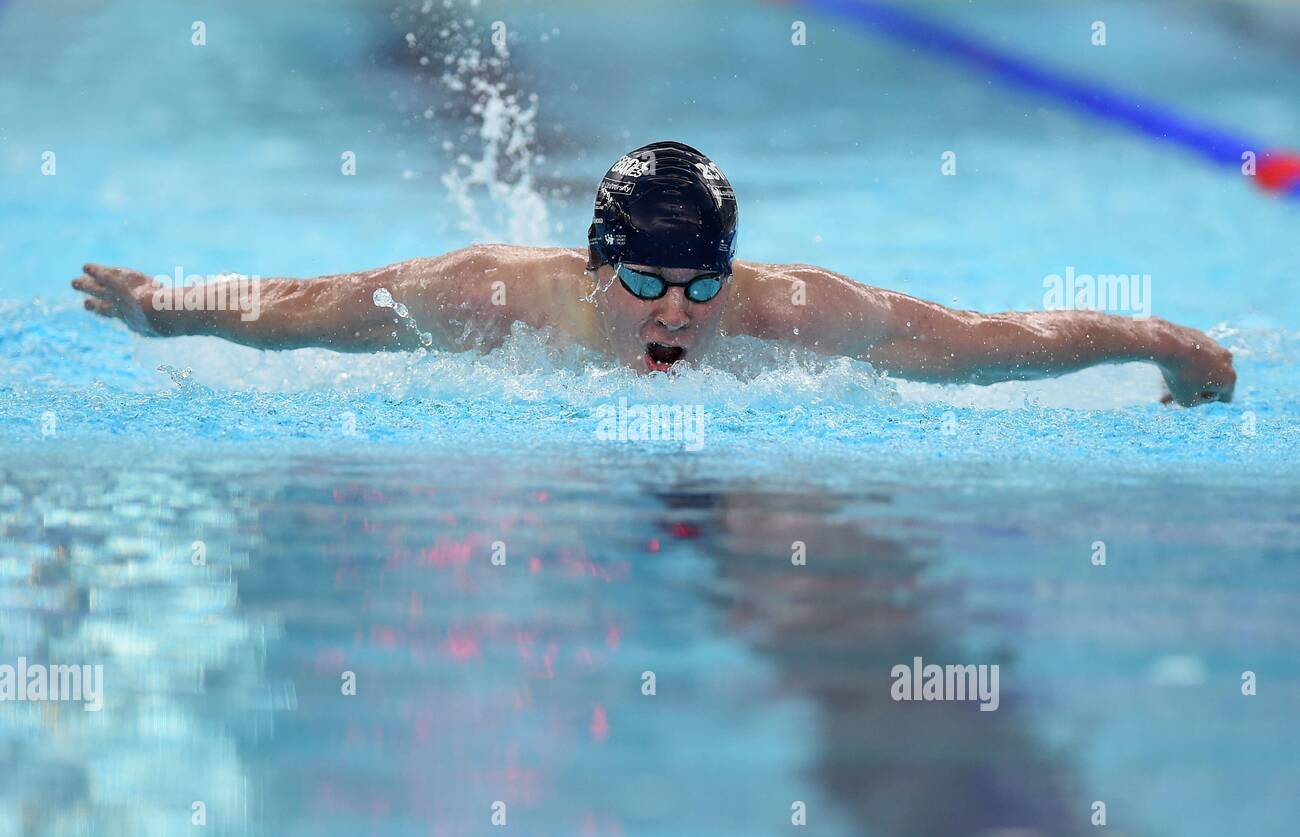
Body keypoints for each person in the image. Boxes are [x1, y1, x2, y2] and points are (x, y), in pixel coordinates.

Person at [72, 141, 1234, 405]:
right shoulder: (490, 293)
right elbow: (300, 310)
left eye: (699, 287)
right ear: (597, 268)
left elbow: (992, 340)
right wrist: (166, 310)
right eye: (645, 286)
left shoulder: (796, 312)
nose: (674, 313)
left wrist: (1158, 340)